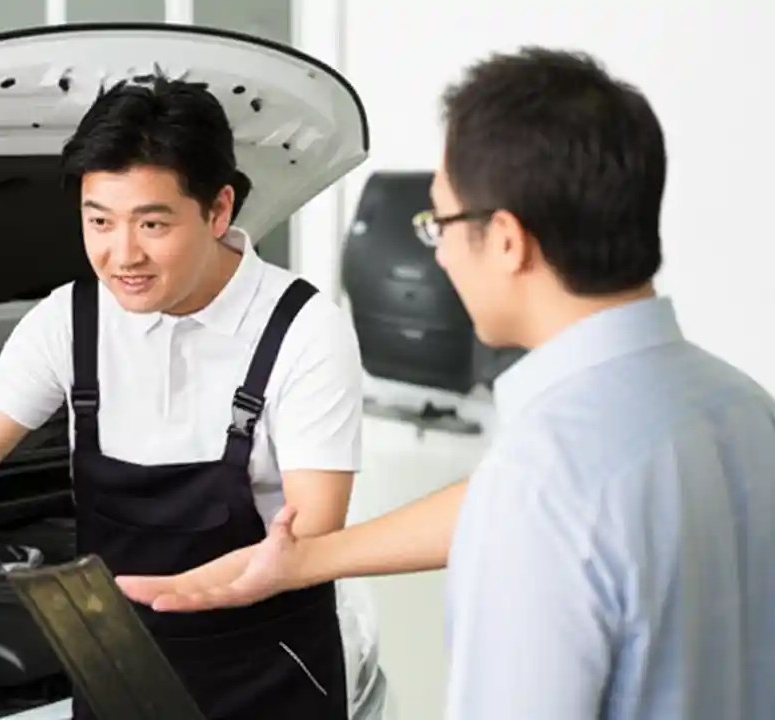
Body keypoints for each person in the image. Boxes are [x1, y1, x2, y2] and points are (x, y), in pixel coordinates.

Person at [117, 47, 775, 720]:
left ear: (508, 242)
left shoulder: (543, 483)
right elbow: (527, 501)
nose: (444, 253)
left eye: (441, 225)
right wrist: (299, 562)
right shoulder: (746, 411)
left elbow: (533, 505)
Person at [0, 77, 363, 719]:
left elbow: (313, 533)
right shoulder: (72, 318)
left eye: (152, 224)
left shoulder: (304, 330)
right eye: (99, 222)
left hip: (268, 675)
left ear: (218, 209)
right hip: (114, 673)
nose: (122, 255)